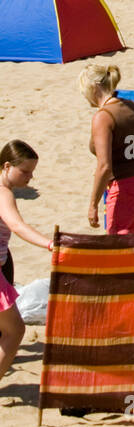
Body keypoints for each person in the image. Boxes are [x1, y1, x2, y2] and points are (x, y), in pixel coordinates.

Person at [80, 64, 134, 234]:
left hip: (127, 188)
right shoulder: (133, 106)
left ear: (94, 88)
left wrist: (93, 205)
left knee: (119, 249)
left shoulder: (103, 117)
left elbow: (104, 167)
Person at [0, 142, 53, 382]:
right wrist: (50, 244)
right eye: (25, 171)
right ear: (7, 166)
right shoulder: (3, 193)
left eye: (32, 171)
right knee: (15, 331)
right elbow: (17, 226)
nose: (30, 177)